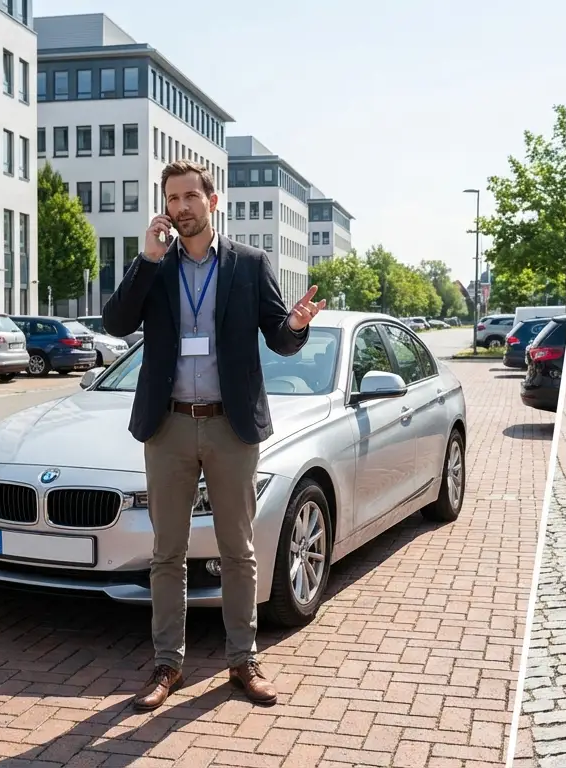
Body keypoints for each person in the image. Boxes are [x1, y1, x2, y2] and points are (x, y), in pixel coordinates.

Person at [102, 159, 327, 711]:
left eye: (190, 197)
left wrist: (297, 325)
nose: (181, 208)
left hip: (231, 425)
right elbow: (115, 323)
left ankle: (243, 659)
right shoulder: (155, 266)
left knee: (238, 550)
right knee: (167, 552)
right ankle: (167, 663)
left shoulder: (249, 264)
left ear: (212, 201)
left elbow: (279, 337)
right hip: (169, 425)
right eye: (171, 199)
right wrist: (145, 260)